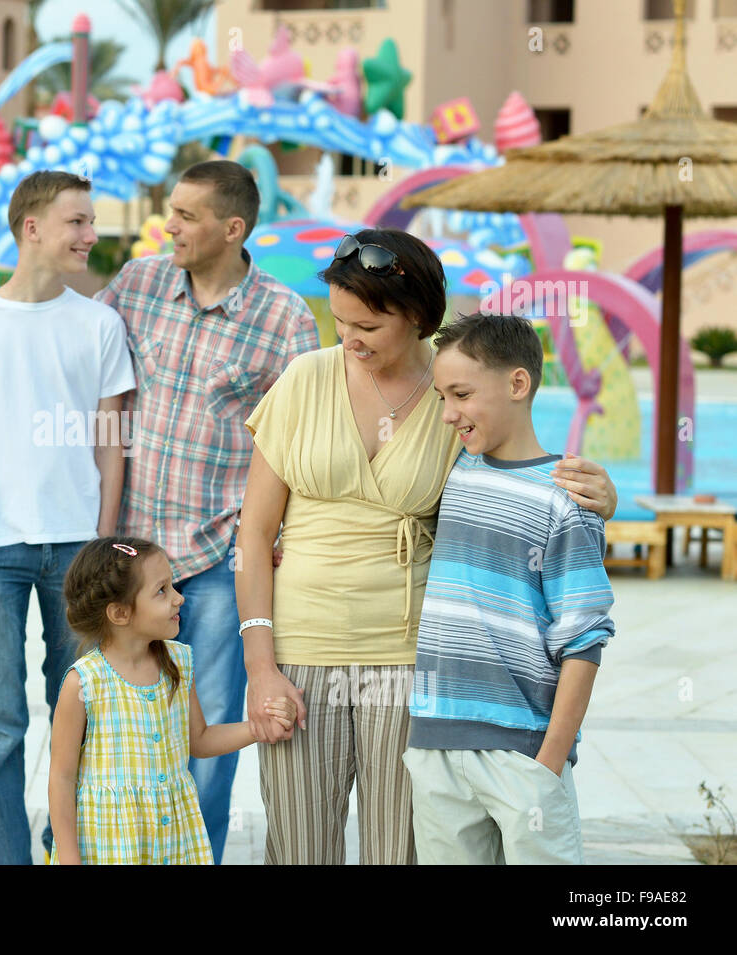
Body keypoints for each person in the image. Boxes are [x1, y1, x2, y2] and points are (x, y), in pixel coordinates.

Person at [0, 160, 318, 863]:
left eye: (185, 216)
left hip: (214, 558)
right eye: (168, 210)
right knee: (91, 712)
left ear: (232, 229)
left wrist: (283, 532)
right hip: (129, 555)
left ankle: (186, 853)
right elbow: (46, 324)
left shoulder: (284, 319)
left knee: (196, 728)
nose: (167, 225)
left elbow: (306, 433)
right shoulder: (138, 286)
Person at [237, 229, 619, 864]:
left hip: (413, 664)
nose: (347, 339)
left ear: (415, 316)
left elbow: (522, 483)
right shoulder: (306, 380)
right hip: (299, 649)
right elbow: (252, 534)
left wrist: (596, 496)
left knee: (401, 851)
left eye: (366, 325)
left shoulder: (455, 399)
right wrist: (259, 665)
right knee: (299, 847)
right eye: (338, 321)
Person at [0, 170, 136, 865]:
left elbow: (112, 445)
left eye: (91, 221)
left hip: (78, 547)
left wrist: (103, 546)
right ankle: (8, 855)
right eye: (77, 221)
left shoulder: (101, 324)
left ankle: (64, 846)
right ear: (32, 229)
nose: (90, 234)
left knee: (77, 709)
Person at [402, 312, 614, 864]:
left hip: (523, 752)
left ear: (518, 384)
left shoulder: (566, 500)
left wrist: (549, 760)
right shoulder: (453, 470)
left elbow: (584, 640)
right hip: (437, 744)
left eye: (462, 394)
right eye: (443, 397)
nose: (449, 414)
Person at [49, 537, 295, 865]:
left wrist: (259, 727)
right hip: (110, 844)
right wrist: (67, 856)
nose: (179, 598)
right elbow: (61, 777)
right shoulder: (84, 683)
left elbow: (200, 740)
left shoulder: (178, 662)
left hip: (173, 840)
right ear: (120, 613)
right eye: (162, 590)